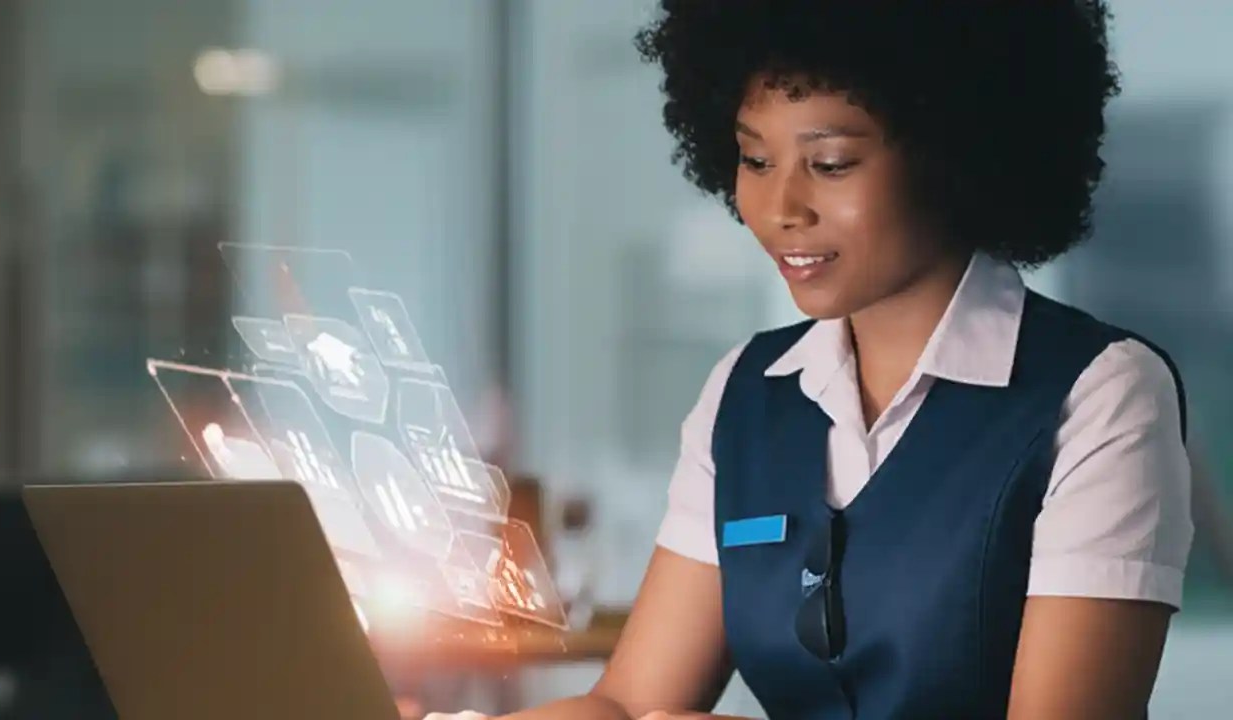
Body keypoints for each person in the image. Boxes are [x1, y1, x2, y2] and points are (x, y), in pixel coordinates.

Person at [429, 1, 1192, 718]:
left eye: (829, 164)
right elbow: (628, 704)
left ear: (952, 151)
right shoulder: (745, 394)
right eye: (755, 160)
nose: (780, 207)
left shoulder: (1099, 395)